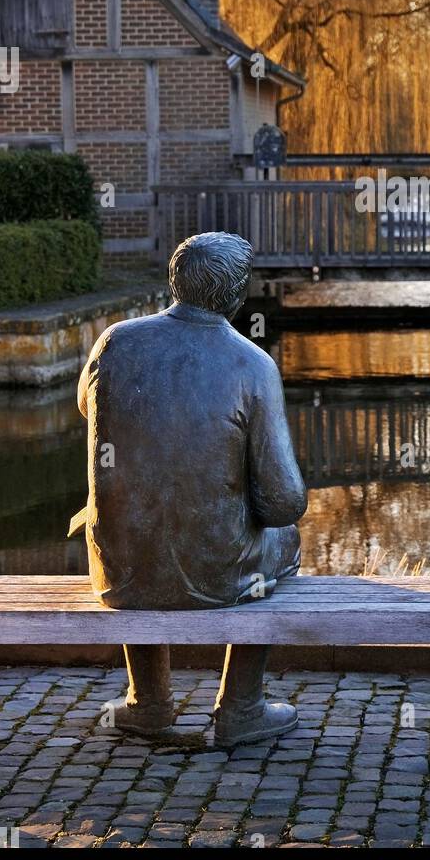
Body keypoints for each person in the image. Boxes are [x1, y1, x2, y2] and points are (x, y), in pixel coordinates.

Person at [71, 231, 306, 746]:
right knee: (286, 540)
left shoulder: (115, 341)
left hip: (119, 564)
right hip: (215, 572)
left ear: (173, 282)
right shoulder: (253, 365)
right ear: (239, 295)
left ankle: (148, 702)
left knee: (136, 521)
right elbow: (283, 502)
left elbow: (88, 408)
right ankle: (241, 706)